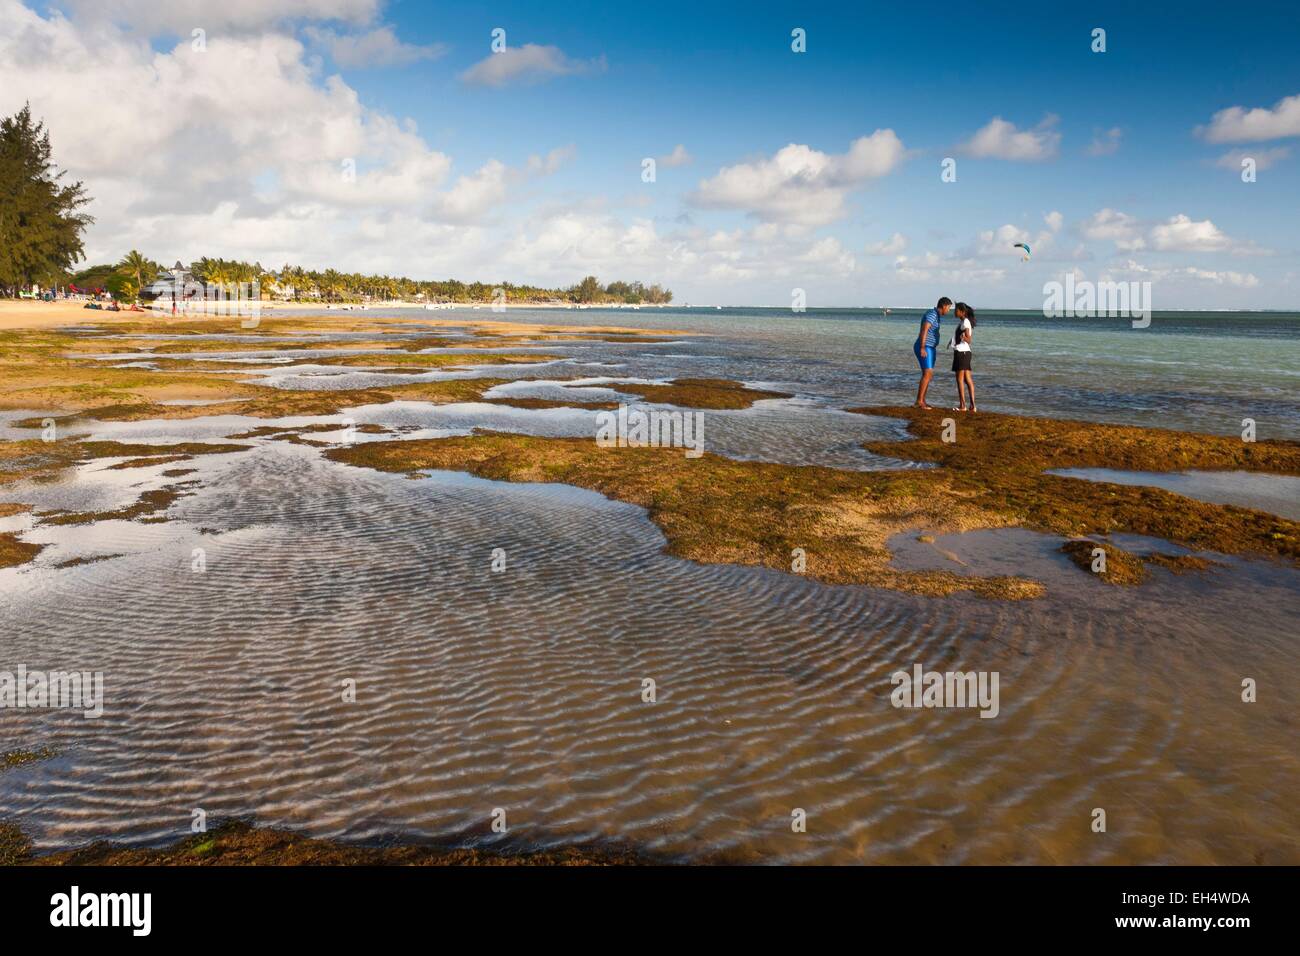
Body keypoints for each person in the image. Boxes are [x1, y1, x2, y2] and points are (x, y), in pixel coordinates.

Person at [913, 296, 951, 409]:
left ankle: (922, 400)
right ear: (944, 306)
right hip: (925, 347)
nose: (949, 310)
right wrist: (922, 347)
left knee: (928, 374)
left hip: (930, 347)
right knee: (927, 373)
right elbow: (924, 330)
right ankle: (919, 401)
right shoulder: (932, 314)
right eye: (949, 308)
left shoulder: (936, 315)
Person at [950, 303, 977, 412]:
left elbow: (969, 339)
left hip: (961, 353)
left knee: (960, 379)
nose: (954, 312)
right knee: (967, 379)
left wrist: (963, 337)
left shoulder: (965, 322)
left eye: (956, 310)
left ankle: (962, 406)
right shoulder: (964, 322)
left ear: (962, 312)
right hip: (965, 353)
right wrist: (953, 341)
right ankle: (972, 406)